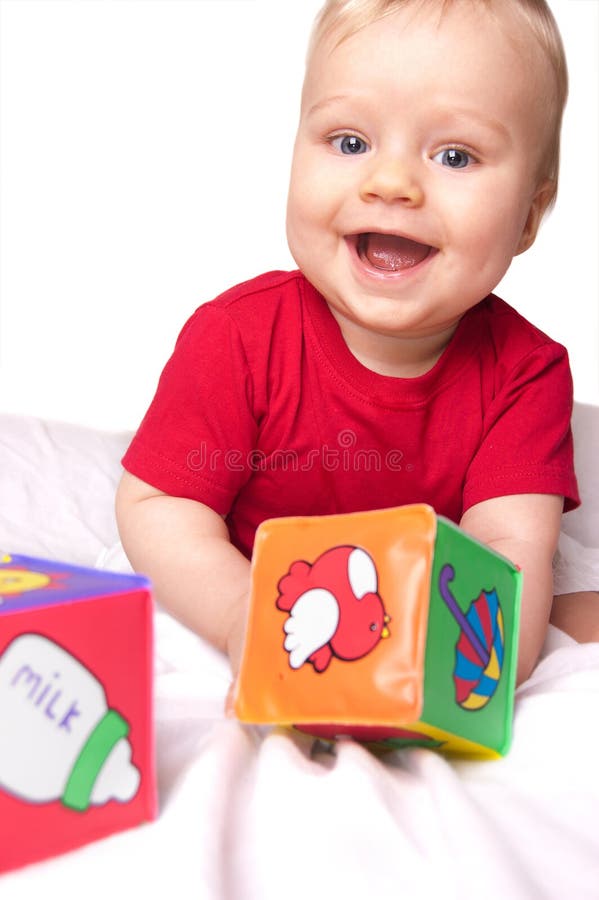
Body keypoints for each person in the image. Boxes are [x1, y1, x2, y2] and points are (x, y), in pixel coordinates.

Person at [116, 0, 591, 693]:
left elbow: (506, 552)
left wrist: (465, 674)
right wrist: (236, 614)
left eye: (453, 155)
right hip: (260, 591)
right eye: (348, 142)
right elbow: (160, 508)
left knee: (570, 618)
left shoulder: (526, 374)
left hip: (416, 612)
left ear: (527, 215)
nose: (390, 183)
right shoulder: (237, 337)